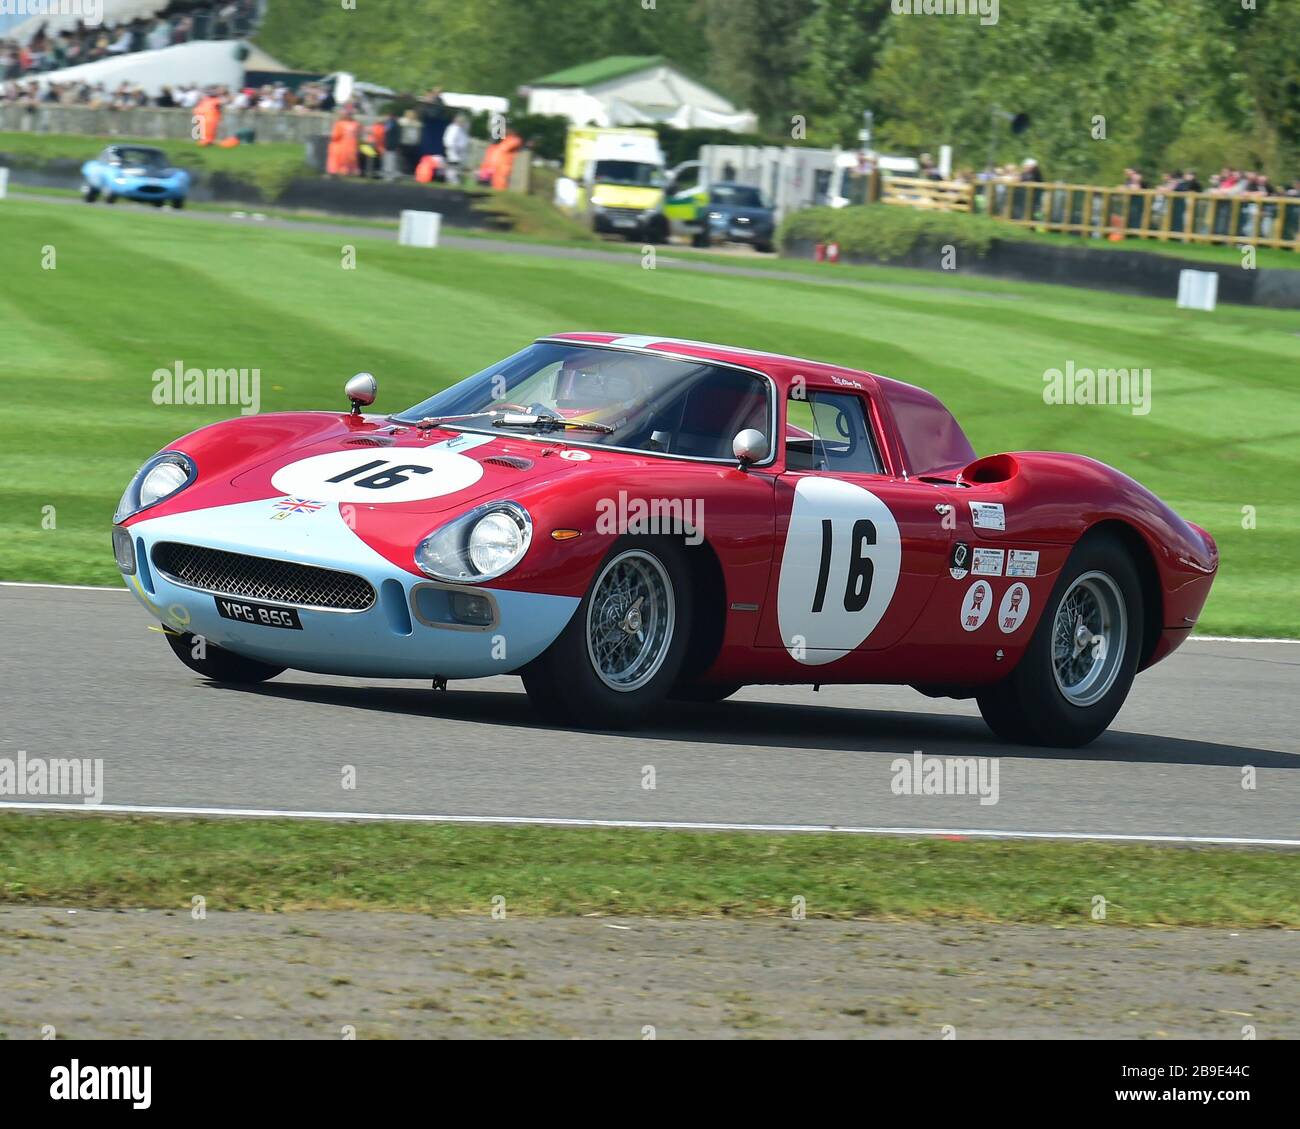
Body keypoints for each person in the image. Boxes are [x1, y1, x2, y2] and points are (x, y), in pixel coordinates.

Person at [326, 105, 361, 177]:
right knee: (349, 158)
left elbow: (335, 136)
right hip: (350, 145)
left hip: (342, 146)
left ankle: (341, 171)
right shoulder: (355, 123)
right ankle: (348, 171)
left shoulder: (340, 123)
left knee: (341, 159)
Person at [442, 112, 469, 185]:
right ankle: (452, 181)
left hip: (459, 152)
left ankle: (454, 181)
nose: (462, 122)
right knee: (452, 167)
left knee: (456, 168)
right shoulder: (453, 128)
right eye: (461, 120)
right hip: (454, 151)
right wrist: (454, 150)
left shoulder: (460, 129)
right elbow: (449, 141)